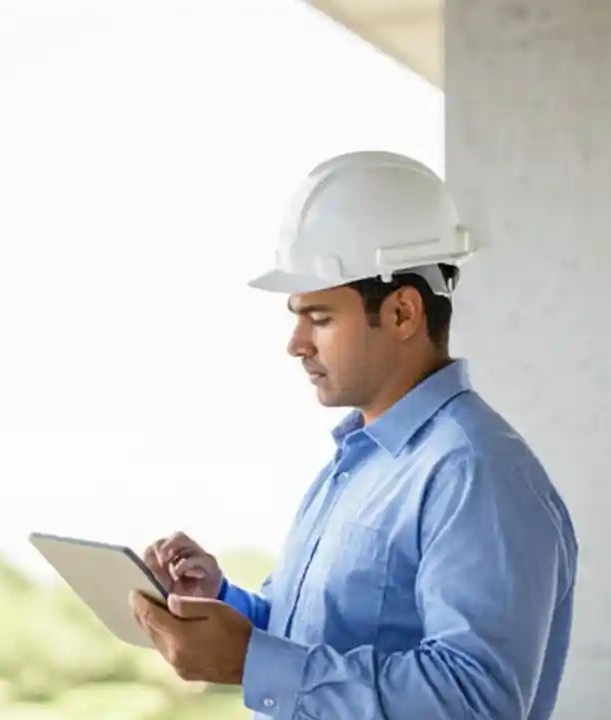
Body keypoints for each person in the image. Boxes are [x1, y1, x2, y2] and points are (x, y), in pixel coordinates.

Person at [129, 150, 578, 719]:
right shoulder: (359, 463)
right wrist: (220, 602)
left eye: (319, 318)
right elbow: (314, 639)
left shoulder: (475, 472)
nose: (295, 343)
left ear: (401, 314)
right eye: (296, 317)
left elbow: (475, 701)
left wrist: (249, 664)